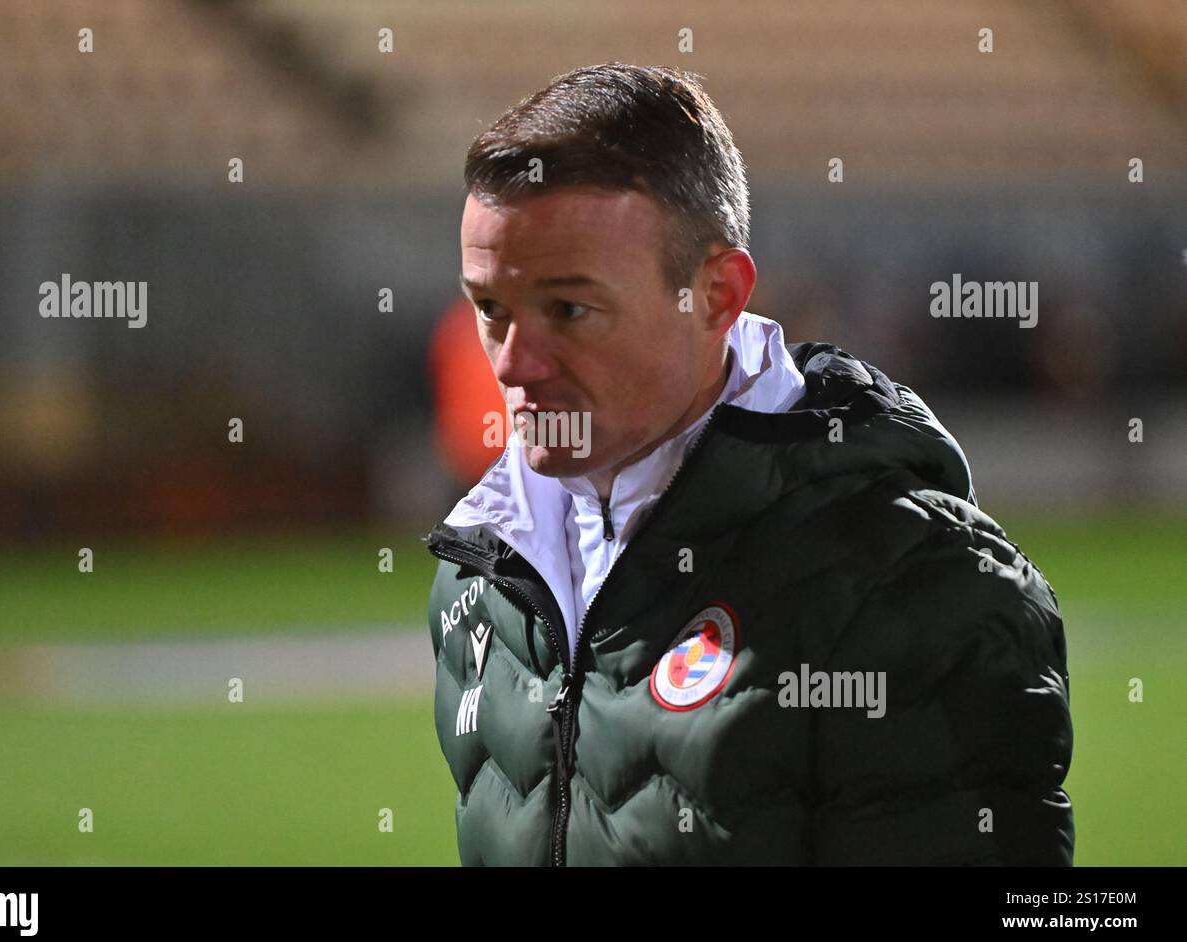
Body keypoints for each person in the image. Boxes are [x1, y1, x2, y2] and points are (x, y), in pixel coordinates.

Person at [424, 63, 1074, 866]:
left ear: (718, 295)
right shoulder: (481, 580)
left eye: (568, 309)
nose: (514, 363)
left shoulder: (915, 585)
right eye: (490, 308)